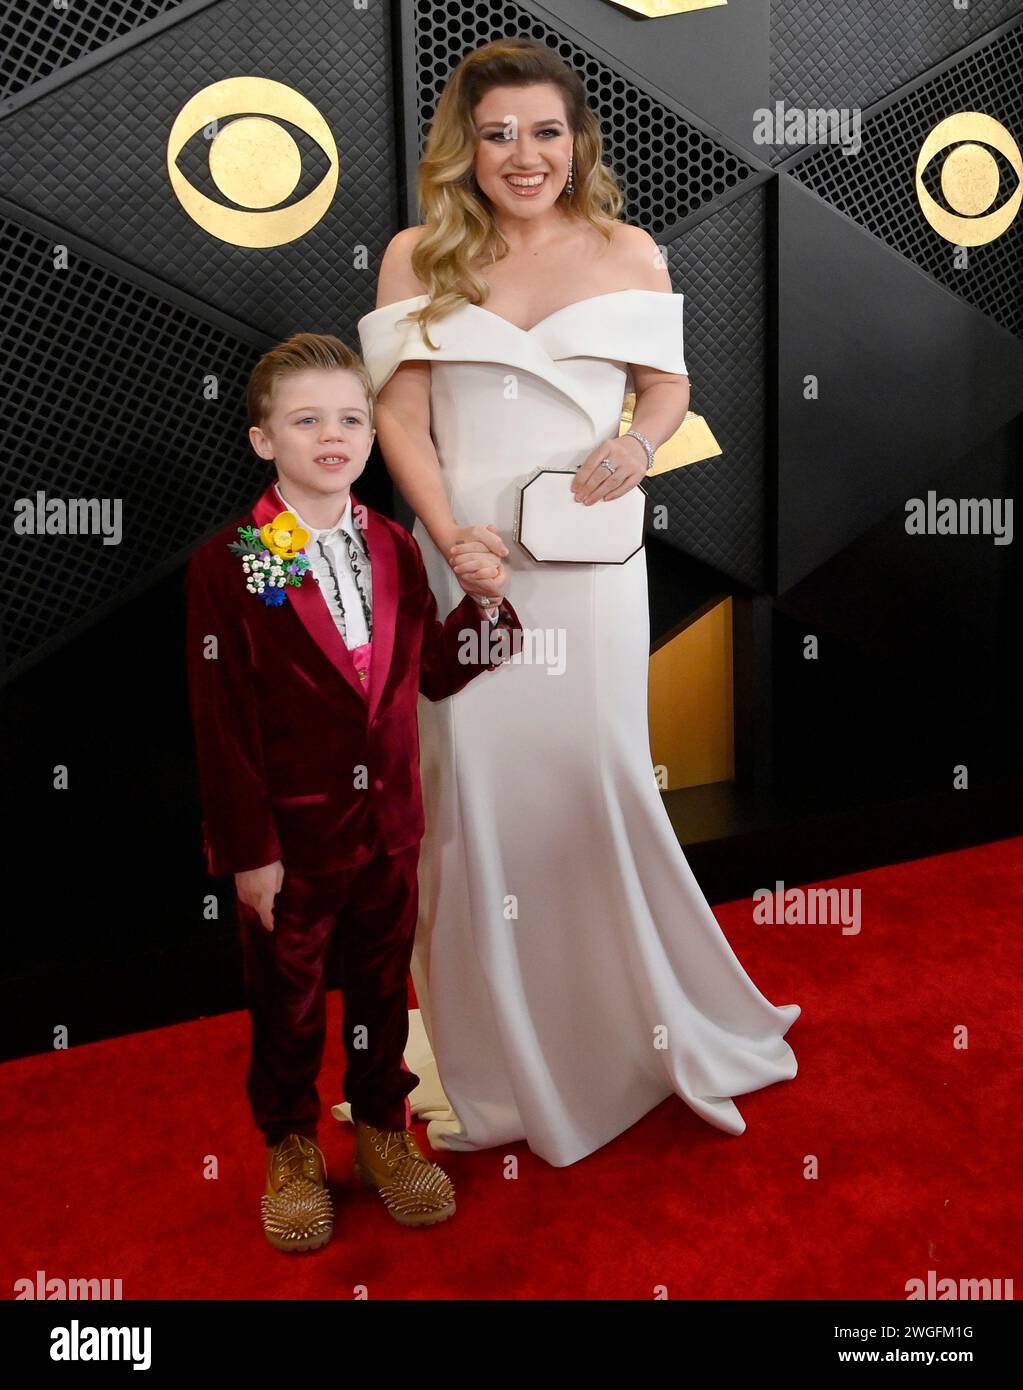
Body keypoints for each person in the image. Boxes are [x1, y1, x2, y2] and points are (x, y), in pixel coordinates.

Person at [356, 38, 800, 1169]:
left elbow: (669, 383)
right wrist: (448, 534)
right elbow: (400, 419)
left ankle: (631, 1029)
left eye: (546, 132)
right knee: (482, 800)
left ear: (578, 141)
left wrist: (638, 446)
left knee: (598, 781)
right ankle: (499, 1052)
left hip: (592, 568)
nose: (524, 155)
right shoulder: (418, 256)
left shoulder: (628, 248)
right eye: (498, 133)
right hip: (474, 561)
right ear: (466, 146)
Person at [184, 332, 521, 1249]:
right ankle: (290, 1145)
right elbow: (224, 728)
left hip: (391, 829)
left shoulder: (396, 550)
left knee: (380, 990)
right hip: (289, 845)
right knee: (286, 1002)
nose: (332, 436)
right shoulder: (234, 561)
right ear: (264, 441)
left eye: (349, 417)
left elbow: (436, 677)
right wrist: (248, 853)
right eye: (305, 420)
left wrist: (487, 607)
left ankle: (381, 1128)